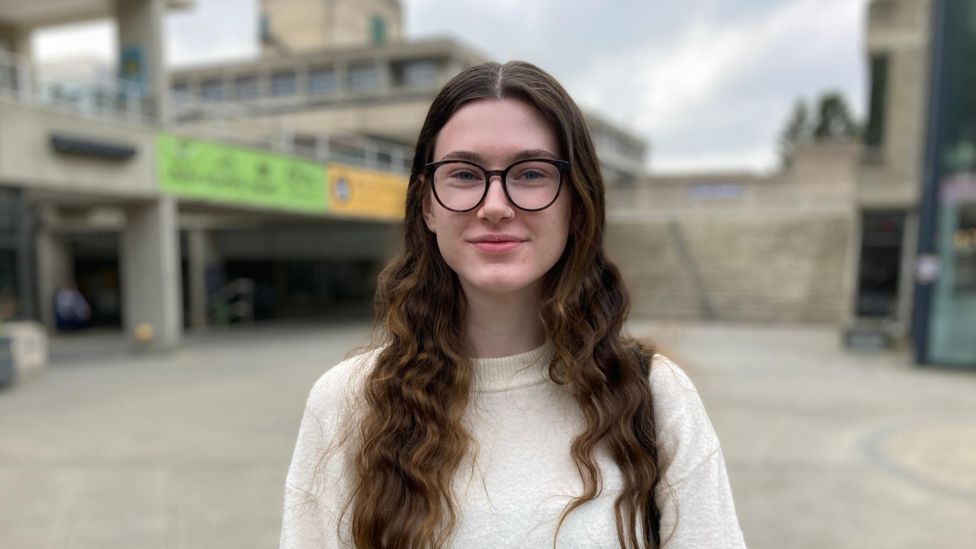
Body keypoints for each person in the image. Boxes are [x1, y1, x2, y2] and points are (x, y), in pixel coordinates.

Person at [281, 61, 746, 548]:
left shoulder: (654, 396)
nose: (495, 205)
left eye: (530, 173)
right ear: (427, 205)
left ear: (575, 201)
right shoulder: (348, 401)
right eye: (464, 174)